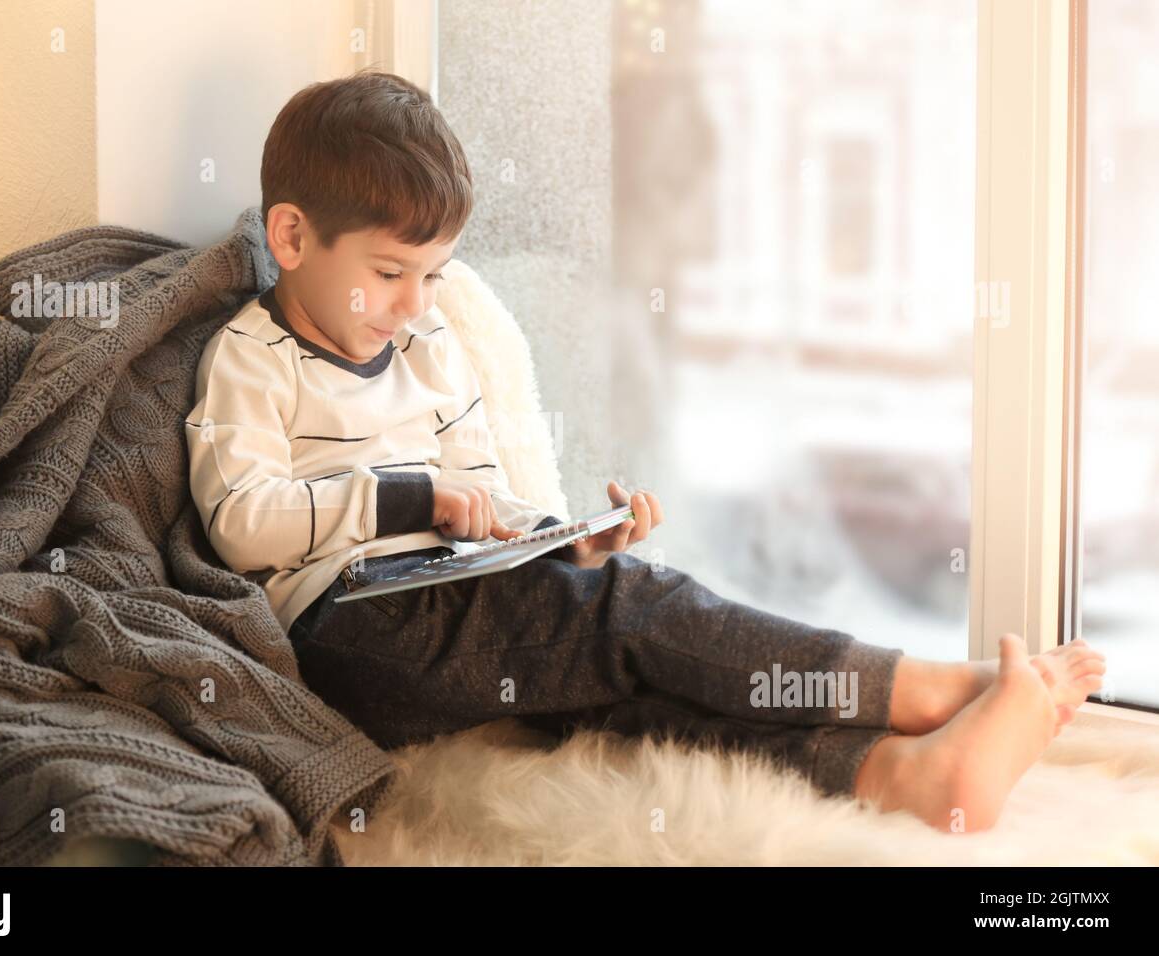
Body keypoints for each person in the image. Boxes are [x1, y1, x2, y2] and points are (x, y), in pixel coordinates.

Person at [186, 68, 1107, 835]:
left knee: (638, 701)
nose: (417, 303)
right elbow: (240, 523)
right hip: (353, 630)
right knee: (636, 615)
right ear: (293, 237)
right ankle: (917, 687)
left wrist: (559, 541)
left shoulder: (430, 348)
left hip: (461, 598)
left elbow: (482, 497)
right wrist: (408, 498)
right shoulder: (251, 361)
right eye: (390, 274)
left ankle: (900, 776)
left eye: (432, 275)